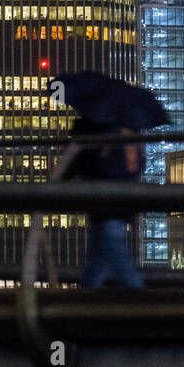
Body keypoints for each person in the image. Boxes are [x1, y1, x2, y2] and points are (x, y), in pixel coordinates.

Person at [66, 117, 145, 288]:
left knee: (110, 249)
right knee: (98, 259)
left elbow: (93, 167)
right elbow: (136, 169)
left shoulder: (101, 136)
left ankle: (138, 292)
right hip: (119, 205)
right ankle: (87, 296)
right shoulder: (131, 137)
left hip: (106, 205)